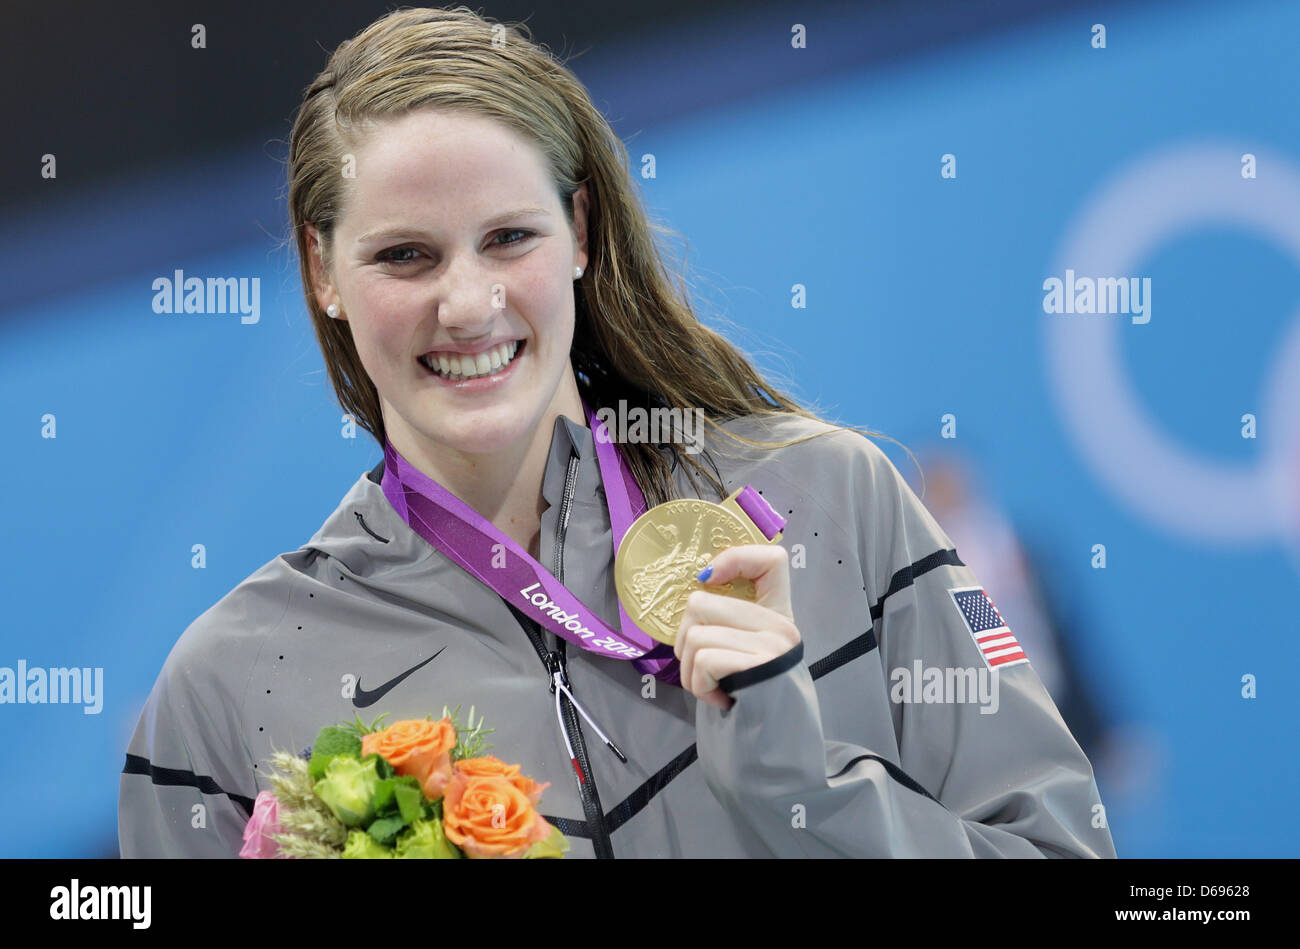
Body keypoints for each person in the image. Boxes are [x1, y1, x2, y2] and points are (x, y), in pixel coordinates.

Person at [118, 6, 1116, 858]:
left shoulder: (835, 502)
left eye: (509, 238)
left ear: (583, 231)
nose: (466, 303)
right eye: (405, 256)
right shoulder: (229, 685)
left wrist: (800, 790)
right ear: (323, 270)